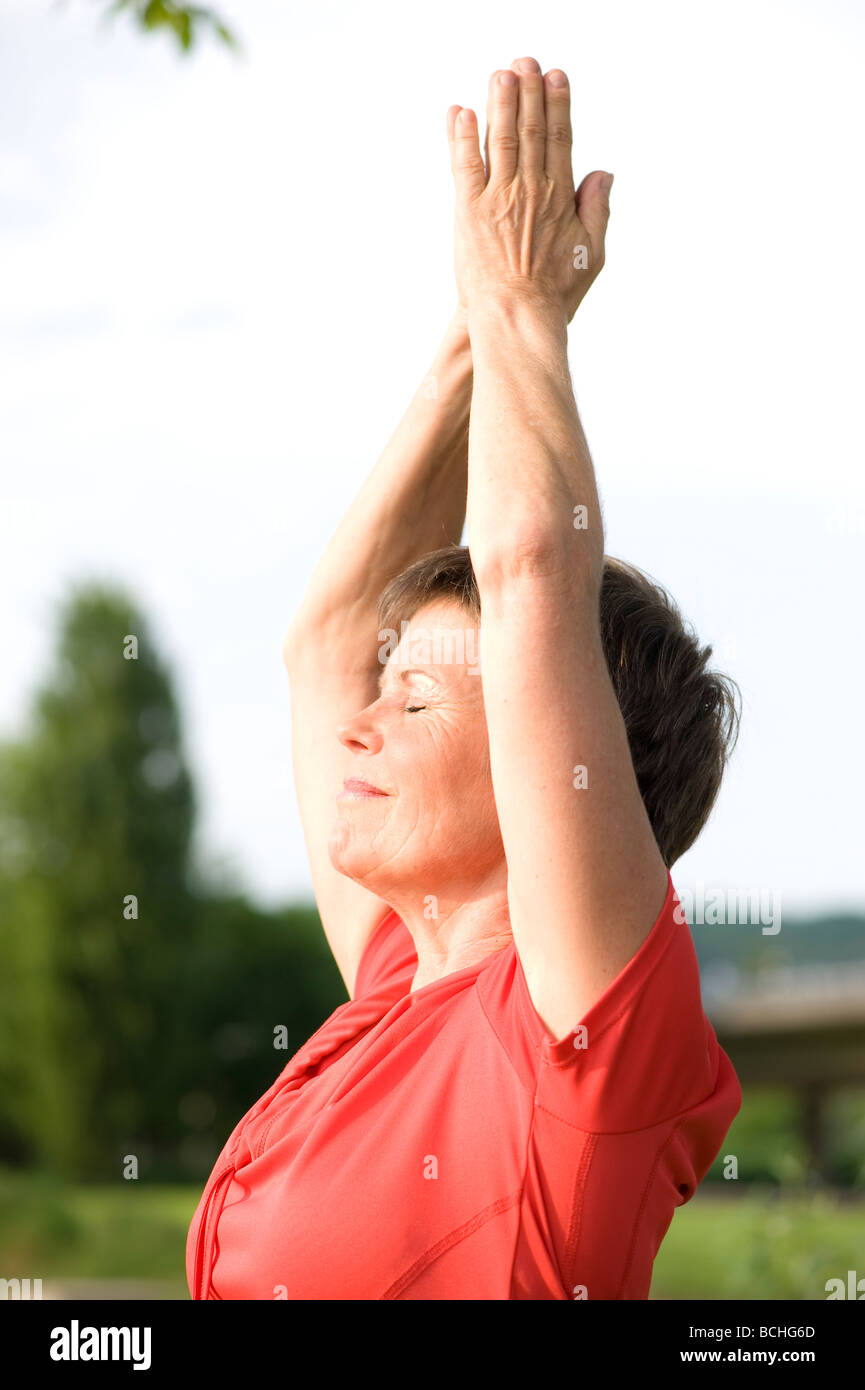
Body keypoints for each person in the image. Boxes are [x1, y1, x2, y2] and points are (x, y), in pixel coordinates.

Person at [186, 54, 742, 1301]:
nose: (364, 722)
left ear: (553, 772)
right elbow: (327, 639)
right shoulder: (400, 976)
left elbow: (534, 565)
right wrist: (481, 320)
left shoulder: (579, 1038)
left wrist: (526, 316)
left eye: (421, 697)